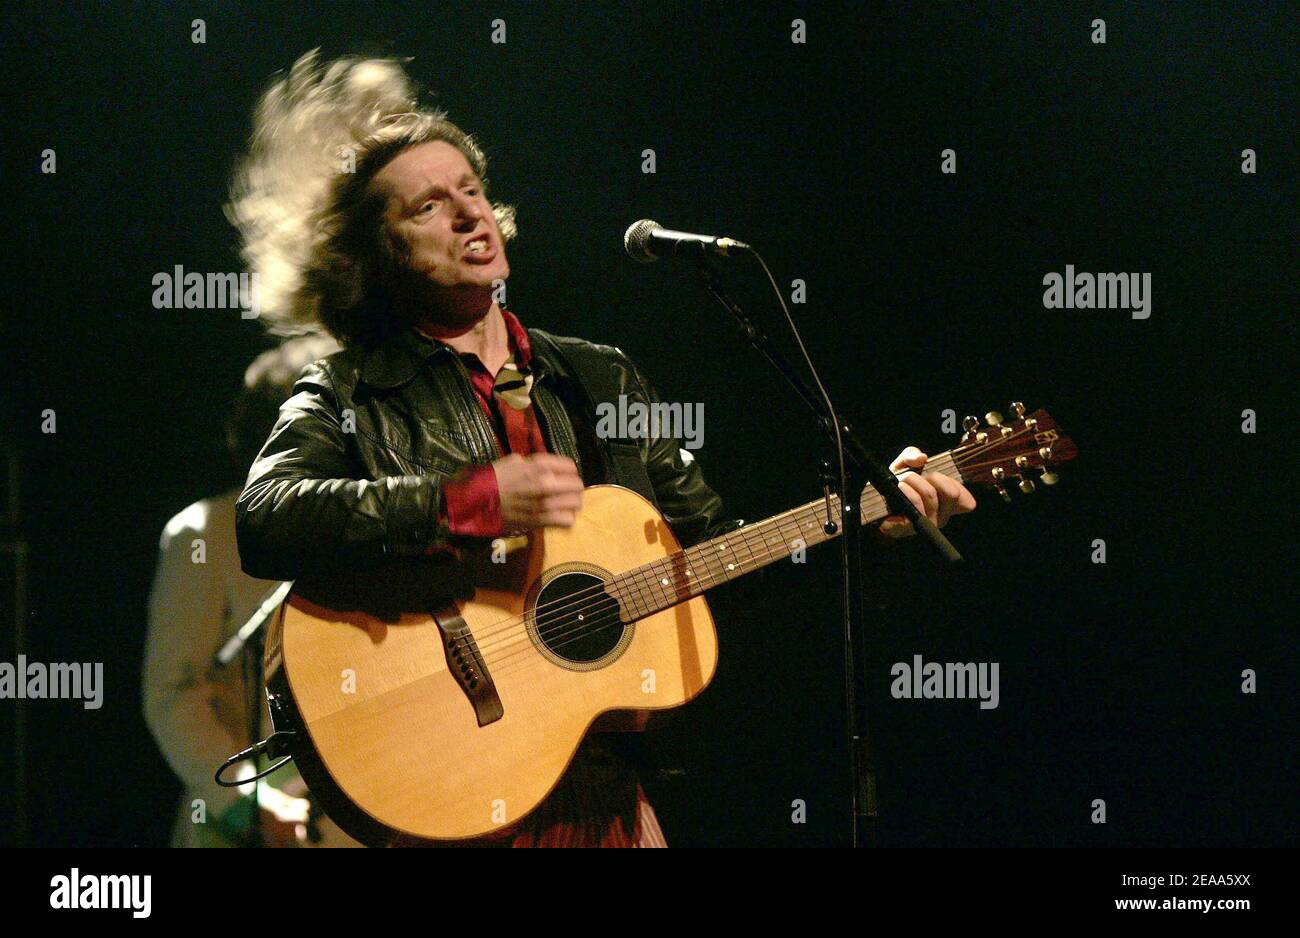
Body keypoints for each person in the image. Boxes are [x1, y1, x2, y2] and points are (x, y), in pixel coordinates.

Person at [229, 51, 976, 847]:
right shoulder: (349, 391)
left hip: (602, 791)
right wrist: (462, 502)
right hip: (448, 783)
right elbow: (266, 518)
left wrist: (866, 523)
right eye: (426, 207)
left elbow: (714, 555)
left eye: (472, 191)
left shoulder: (597, 377)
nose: (468, 215)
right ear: (377, 259)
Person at [143, 334, 362, 847]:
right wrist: (246, 798)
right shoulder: (204, 533)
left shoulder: (370, 527)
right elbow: (174, 694)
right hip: (252, 829)